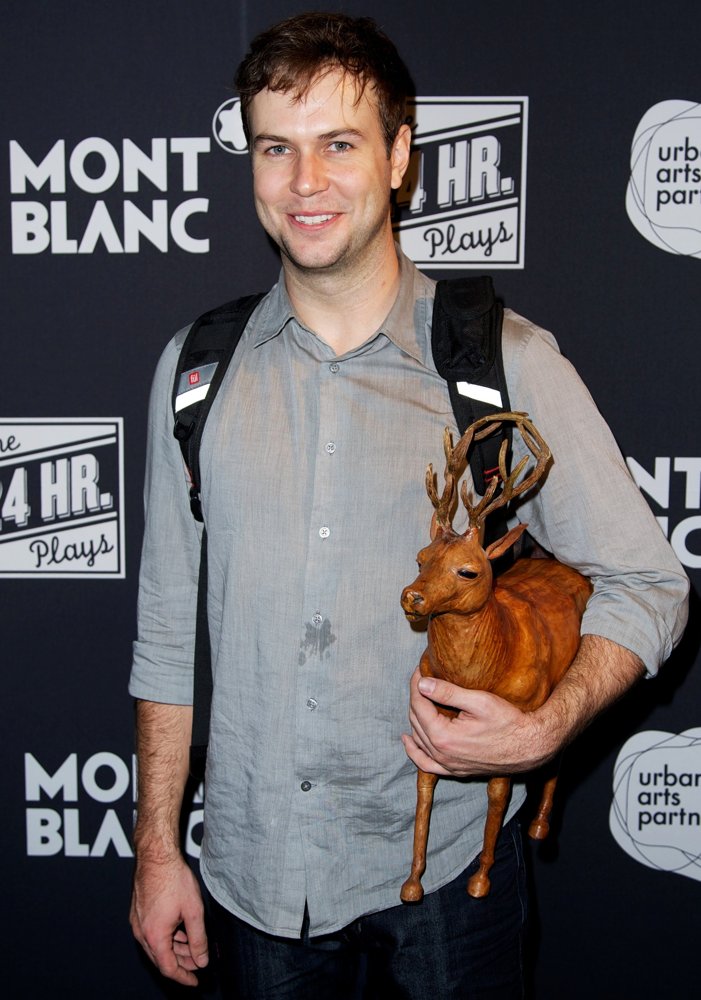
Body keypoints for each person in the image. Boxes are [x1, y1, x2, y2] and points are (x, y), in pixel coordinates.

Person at [128, 11, 688, 998]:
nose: (304, 183)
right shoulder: (194, 373)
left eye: (337, 144)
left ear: (396, 157)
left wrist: (548, 723)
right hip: (250, 895)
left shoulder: (500, 361)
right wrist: (156, 849)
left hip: (448, 893)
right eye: (275, 148)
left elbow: (645, 582)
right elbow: (171, 634)